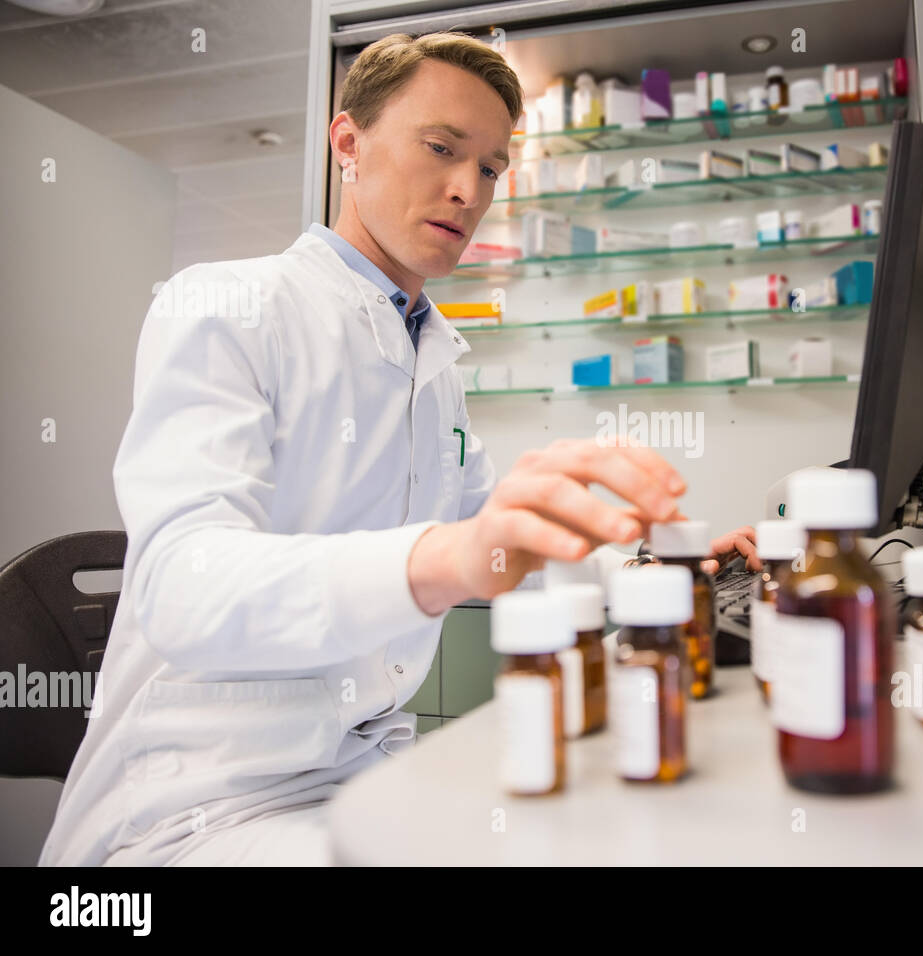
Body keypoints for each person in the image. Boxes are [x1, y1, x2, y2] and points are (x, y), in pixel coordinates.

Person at [39, 31, 759, 867]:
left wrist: (645, 566)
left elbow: (500, 533)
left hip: (358, 777)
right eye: (442, 148)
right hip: (194, 809)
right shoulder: (228, 305)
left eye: (490, 168)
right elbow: (181, 586)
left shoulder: (431, 358)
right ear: (349, 143)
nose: (467, 189)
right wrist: (444, 558)